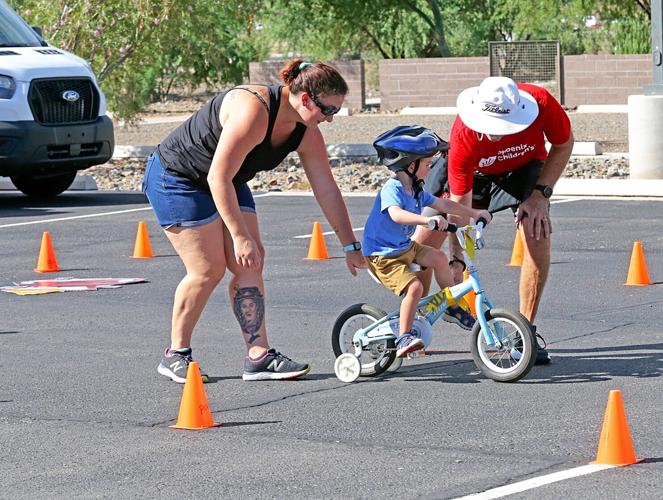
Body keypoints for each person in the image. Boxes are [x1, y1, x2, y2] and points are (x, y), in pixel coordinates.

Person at [143, 59, 366, 383]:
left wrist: (350, 245)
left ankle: (259, 356)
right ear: (305, 99)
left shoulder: (306, 132)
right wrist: (240, 236)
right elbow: (217, 177)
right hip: (178, 177)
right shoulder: (254, 109)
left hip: (227, 179)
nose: (330, 118)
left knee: (251, 261)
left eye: (336, 111)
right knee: (207, 269)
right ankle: (176, 354)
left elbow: (326, 189)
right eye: (328, 110)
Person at [413, 76, 574, 365]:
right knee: (422, 243)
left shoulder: (541, 103)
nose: (495, 135)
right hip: (474, 173)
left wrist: (541, 194)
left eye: (502, 128)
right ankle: (413, 324)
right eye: (489, 127)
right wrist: (458, 260)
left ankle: (524, 332)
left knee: (537, 231)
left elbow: (564, 144)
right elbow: (460, 207)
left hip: (524, 168)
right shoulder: (464, 133)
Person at [362, 125, 492, 357]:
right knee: (415, 287)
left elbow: (444, 204)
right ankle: (403, 337)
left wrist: (474, 213)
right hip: (383, 256)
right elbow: (396, 214)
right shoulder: (393, 188)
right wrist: (426, 221)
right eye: (427, 164)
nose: (431, 168)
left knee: (439, 258)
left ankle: (451, 307)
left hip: (404, 247)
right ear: (411, 166)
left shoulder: (417, 190)